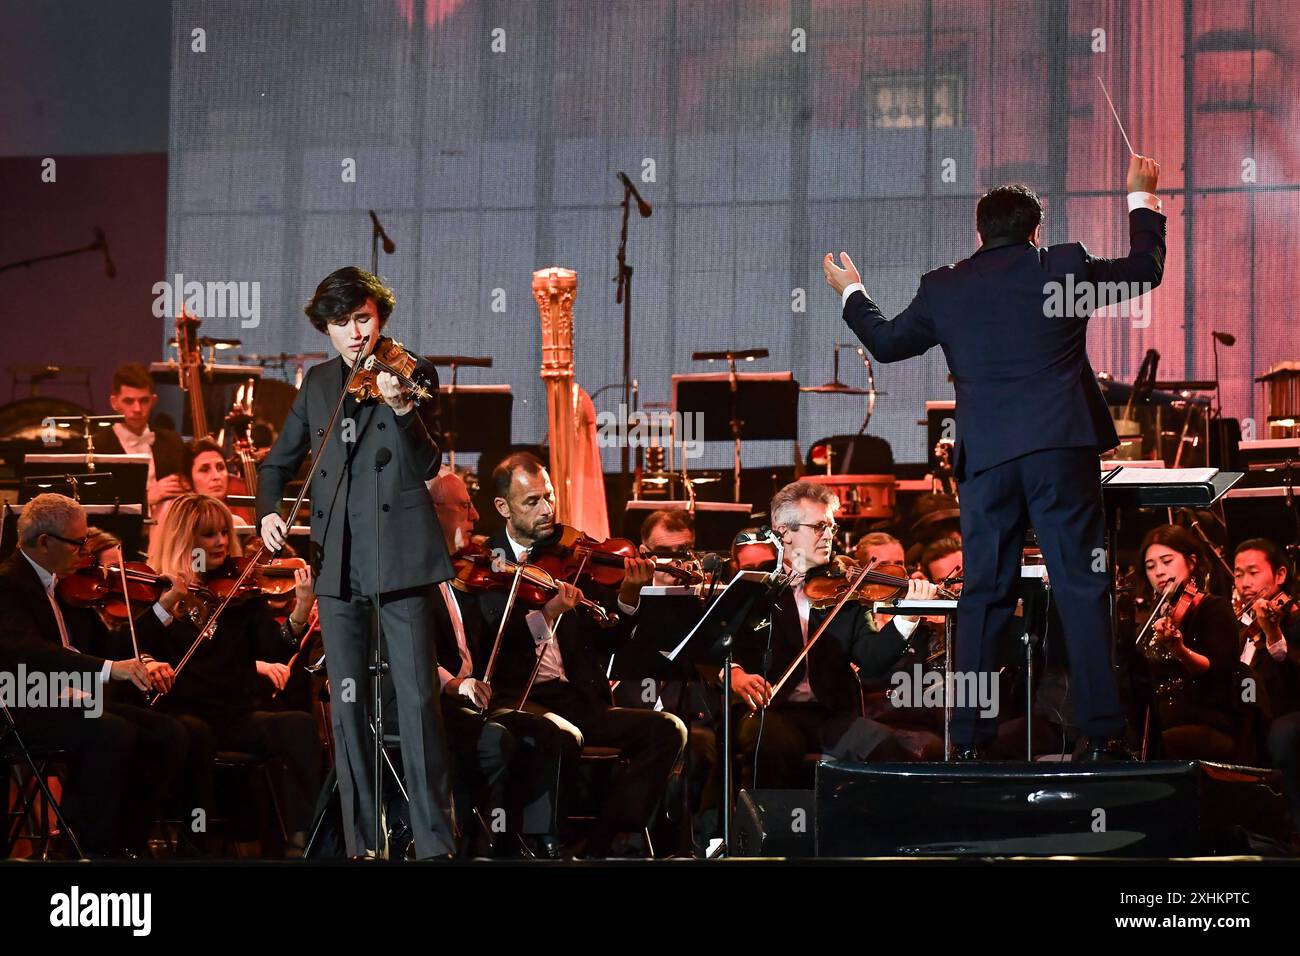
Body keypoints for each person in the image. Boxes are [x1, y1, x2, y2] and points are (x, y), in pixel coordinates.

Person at [823, 153, 1166, 760]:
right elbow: (1145, 269)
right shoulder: (1062, 267)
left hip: (988, 460)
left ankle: (970, 743)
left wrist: (853, 292)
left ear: (979, 233)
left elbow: (887, 341)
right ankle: (1103, 735)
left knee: (983, 594)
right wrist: (1142, 197)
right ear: (1037, 229)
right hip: (1061, 450)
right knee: (1081, 586)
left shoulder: (945, 286)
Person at [256, 266, 455, 859]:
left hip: (400, 560)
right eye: (341, 324)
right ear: (327, 328)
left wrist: (400, 410)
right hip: (337, 564)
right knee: (346, 709)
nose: (354, 334)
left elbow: (426, 462)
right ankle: (364, 844)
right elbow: (276, 464)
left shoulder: (409, 372)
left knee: (418, 702)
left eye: (363, 319)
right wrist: (271, 511)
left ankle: (433, 843)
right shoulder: (317, 383)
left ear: (381, 318)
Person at [469, 452, 687, 857]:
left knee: (668, 729)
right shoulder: (487, 562)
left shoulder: (569, 556)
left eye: (549, 497)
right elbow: (496, 644)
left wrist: (627, 596)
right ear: (503, 507)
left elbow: (607, 643)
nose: (547, 510)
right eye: (532, 502)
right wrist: (547, 614)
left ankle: (600, 840)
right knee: (559, 735)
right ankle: (546, 842)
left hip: (579, 699)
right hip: (519, 698)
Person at [0, 493, 187, 857]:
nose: (85, 550)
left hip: (65, 703)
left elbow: (110, 647)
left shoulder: (61, 583)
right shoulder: (8, 584)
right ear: (44, 542)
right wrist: (108, 670)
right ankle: (82, 846)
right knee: (112, 732)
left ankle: (127, 842)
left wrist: (143, 654)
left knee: (169, 732)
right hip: (23, 705)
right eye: (78, 542)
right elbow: (26, 654)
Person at [145, 493, 322, 855]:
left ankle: (306, 837)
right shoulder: (157, 592)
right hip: (182, 712)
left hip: (234, 716)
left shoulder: (241, 592)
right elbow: (133, 646)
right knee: (195, 735)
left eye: (224, 532)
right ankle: (196, 845)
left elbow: (274, 648)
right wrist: (166, 605)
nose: (222, 541)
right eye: (209, 535)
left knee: (298, 724)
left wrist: (300, 609)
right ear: (184, 539)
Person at [729, 481, 938, 788]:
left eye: (831, 527)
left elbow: (872, 658)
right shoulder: (755, 587)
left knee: (886, 747)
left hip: (832, 715)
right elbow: (718, 647)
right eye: (818, 527)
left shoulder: (845, 587)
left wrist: (908, 617)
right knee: (772, 744)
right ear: (783, 532)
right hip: (773, 712)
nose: (828, 536)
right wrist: (734, 674)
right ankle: (772, 831)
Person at [427, 470, 569, 857]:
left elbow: (491, 642)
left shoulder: (466, 572)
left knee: (543, 732)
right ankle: (483, 845)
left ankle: (533, 842)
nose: (474, 518)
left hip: (474, 699)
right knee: (501, 740)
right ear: (432, 512)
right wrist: (457, 685)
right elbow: (410, 653)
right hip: (435, 705)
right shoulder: (417, 577)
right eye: (464, 507)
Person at [1131, 525, 1241, 761]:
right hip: (1161, 719)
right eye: (1151, 566)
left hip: (1204, 719)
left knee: (1159, 747)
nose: (1159, 572)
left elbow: (1217, 670)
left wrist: (1179, 649)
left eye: (1167, 561)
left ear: (1191, 562)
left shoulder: (1213, 607)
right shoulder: (1153, 615)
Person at [1233, 538, 1300, 821]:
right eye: (1238, 574)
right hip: (1251, 712)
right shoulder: (1238, 624)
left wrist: (1273, 634)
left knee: (1282, 734)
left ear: (1280, 575)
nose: (1245, 582)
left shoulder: (1294, 619)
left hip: (1287, 710)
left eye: (1253, 571)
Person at [95, 363, 186, 512]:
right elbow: (99, 504)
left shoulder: (173, 442)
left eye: (144, 400)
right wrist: (147, 498)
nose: (137, 409)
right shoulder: (98, 447)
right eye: (128, 401)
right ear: (114, 402)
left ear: (153, 401)